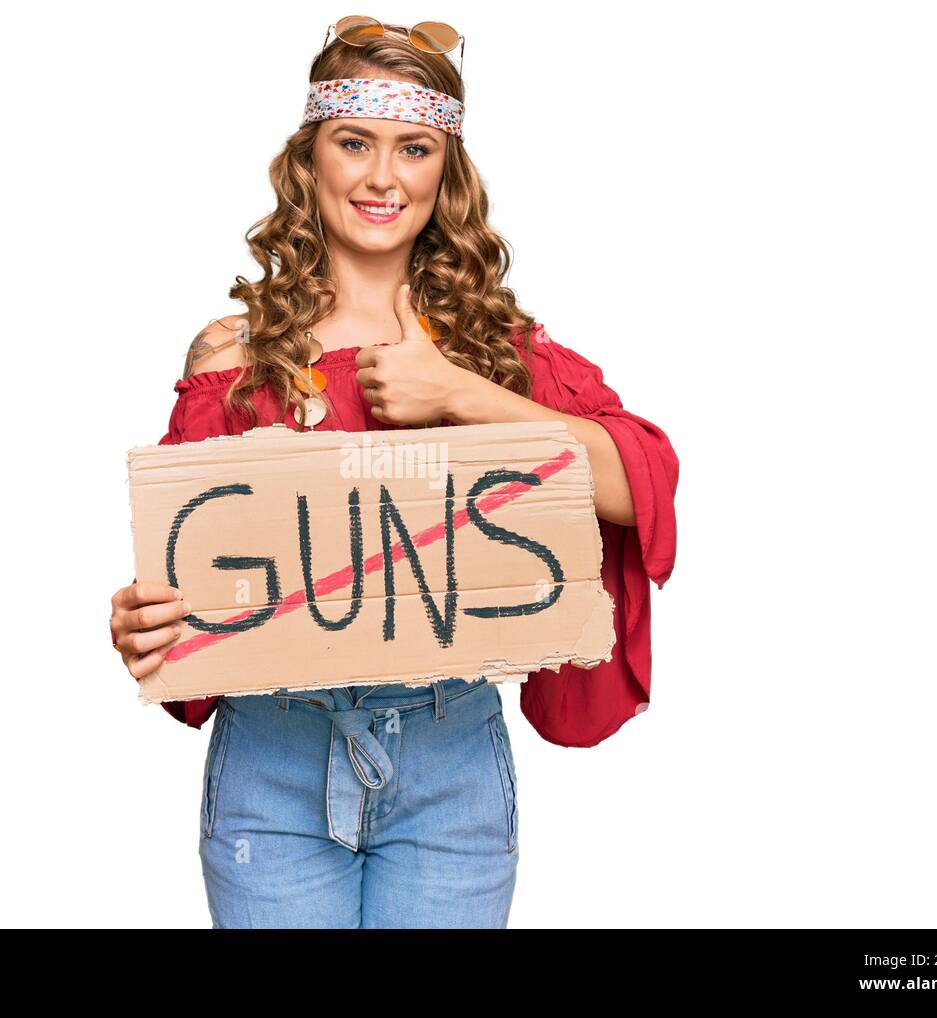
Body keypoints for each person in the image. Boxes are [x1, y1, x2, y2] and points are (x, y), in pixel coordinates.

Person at [108, 19, 680, 928]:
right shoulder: (233, 357)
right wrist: (146, 622)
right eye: (354, 144)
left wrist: (459, 392)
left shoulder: (496, 354)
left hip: (450, 762)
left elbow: (637, 479)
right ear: (311, 161)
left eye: (413, 148)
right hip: (274, 762)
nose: (382, 177)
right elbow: (192, 583)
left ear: (443, 172)